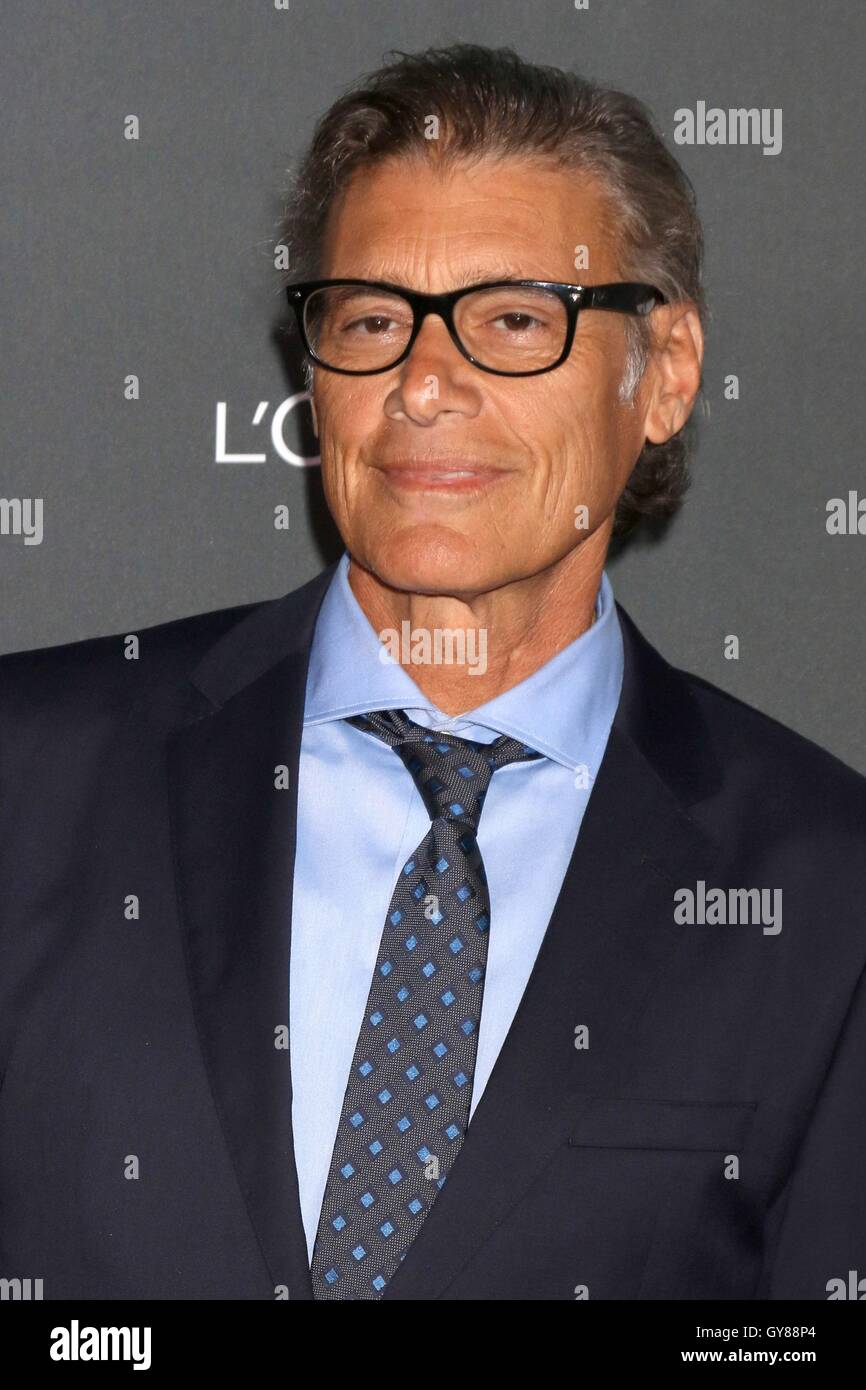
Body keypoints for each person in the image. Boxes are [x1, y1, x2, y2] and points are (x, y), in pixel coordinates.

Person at [1, 44, 863, 1302]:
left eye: (515, 318)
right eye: (370, 319)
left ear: (664, 371)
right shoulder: (30, 780)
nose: (422, 385)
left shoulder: (823, 889)